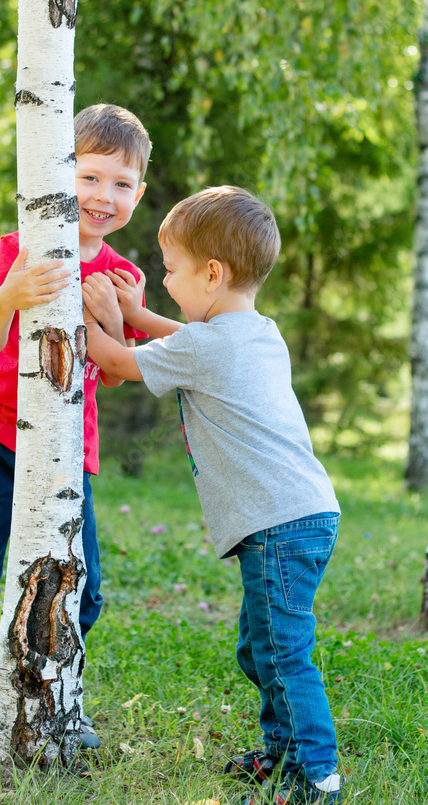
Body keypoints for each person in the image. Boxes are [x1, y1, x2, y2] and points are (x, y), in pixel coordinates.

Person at [81, 186, 344, 805]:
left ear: (213, 273)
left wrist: (89, 312)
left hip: (279, 522)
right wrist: (141, 316)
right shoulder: (257, 332)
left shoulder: (207, 346)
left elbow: (117, 365)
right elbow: (186, 342)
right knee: (261, 647)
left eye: (171, 271)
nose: (166, 282)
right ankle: (282, 754)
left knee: (282, 653)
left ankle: (317, 778)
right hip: (300, 516)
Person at [0, 104, 151, 749]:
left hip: (66, 454)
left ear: (139, 193)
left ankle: (51, 696)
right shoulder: (21, 248)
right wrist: (11, 295)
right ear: (59, 173)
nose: (104, 197)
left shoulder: (122, 278)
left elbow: (123, 370)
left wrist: (112, 317)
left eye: (122, 184)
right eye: (90, 177)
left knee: (86, 589)